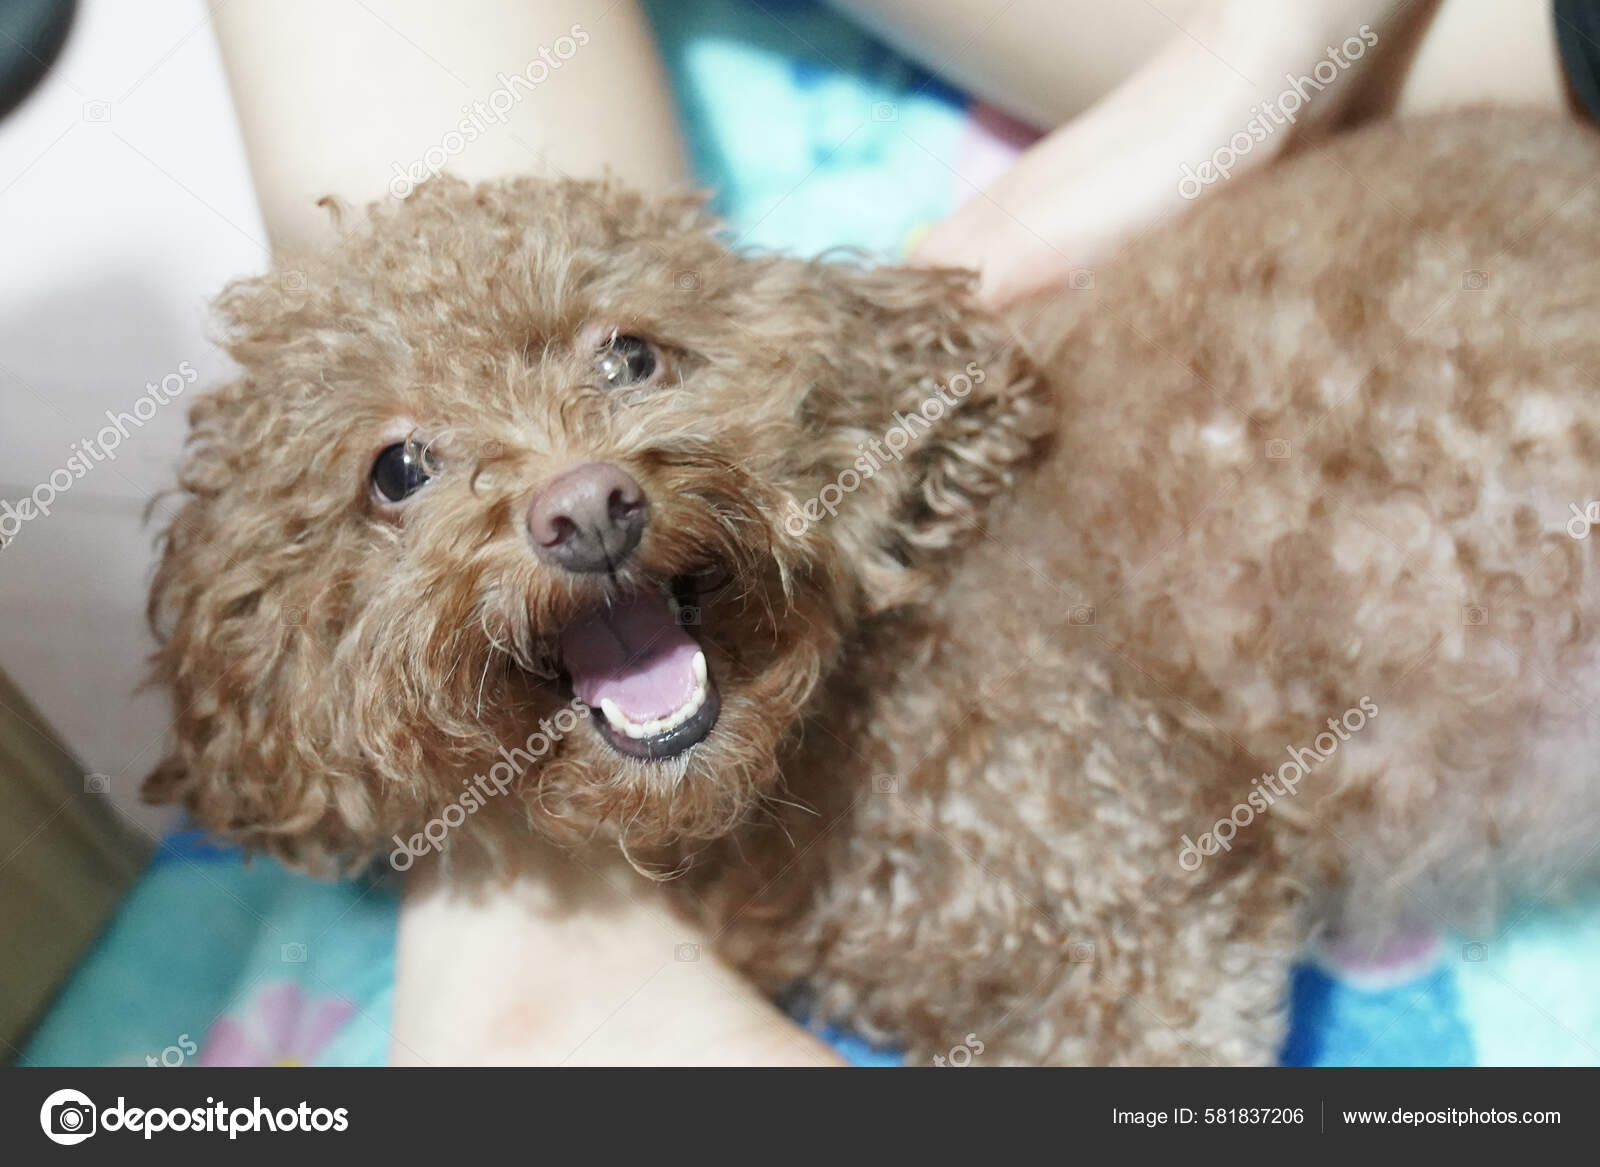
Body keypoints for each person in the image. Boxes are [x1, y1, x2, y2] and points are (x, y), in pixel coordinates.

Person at [206, 0, 1585, 1064]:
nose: (582, 486)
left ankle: (528, 945)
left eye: (630, 363)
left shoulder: (938, 740)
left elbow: (1148, 953)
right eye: (404, 467)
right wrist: (1249, 54)